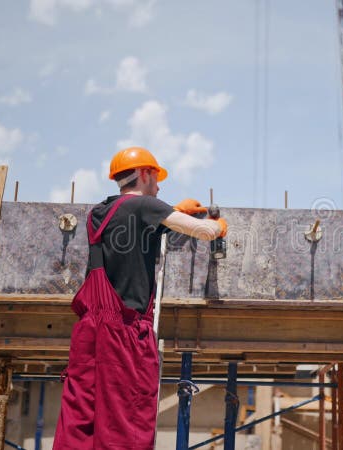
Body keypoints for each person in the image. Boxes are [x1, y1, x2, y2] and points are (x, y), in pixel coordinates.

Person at [53, 146, 227, 450]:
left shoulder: (98, 214)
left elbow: (134, 233)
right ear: (145, 174)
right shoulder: (146, 205)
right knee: (124, 426)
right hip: (124, 335)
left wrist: (172, 212)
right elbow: (203, 231)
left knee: (80, 423)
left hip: (90, 333)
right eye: (156, 179)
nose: (159, 187)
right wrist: (218, 226)